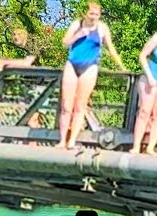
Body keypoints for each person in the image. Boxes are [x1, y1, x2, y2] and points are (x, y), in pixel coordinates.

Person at [57, 3, 127, 150]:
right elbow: (64, 42)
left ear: (100, 15)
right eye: (91, 14)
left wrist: (122, 67)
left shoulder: (102, 28)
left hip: (90, 66)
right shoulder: (77, 24)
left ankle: (72, 141)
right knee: (66, 105)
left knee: (80, 105)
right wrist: (78, 35)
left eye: (96, 14)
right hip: (72, 63)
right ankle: (62, 140)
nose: (94, 17)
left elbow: (111, 49)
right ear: (85, 14)